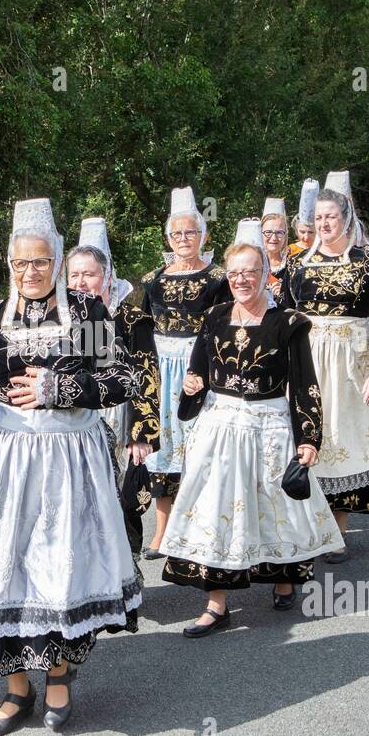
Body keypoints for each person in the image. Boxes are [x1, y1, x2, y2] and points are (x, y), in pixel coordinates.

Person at [0, 198, 141, 736]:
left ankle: (60, 675)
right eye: (21, 263)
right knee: (1, 568)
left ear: (58, 259)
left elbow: (124, 381)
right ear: (9, 263)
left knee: (57, 566)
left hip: (67, 463)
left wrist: (57, 388)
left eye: (41, 262)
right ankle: (16, 688)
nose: (30, 272)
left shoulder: (87, 315)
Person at [160, 220, 343, 636]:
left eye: (251, 272)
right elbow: (197, 372)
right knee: (217, 510)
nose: (242, 279)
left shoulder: (289, 323)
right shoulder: (214, 316)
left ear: (265, 275)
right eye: (235, 273)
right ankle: (216, 603)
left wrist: (309, 437)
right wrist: (192, 385)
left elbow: (304, 384)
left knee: (273, 507)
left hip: (271, 425)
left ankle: (283, 576)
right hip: (220, 427)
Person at [283, 172, 369, 558]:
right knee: (306, 436)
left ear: (346, 218)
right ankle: (305, 526)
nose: (324, 224)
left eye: (331, 217)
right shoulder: (297, 267)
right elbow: (283, 315)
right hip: (307, 361)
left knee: (342, 439)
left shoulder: (368, 264)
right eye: (318, 218)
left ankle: (337, 528)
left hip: (351, 365)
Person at [135, 187, 232, 560]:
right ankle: (162, 532)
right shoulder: (153, 279)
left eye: (190, 233)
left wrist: (210, 370)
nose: (183, 240)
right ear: (167, 238)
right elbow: (144, 326)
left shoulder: (217, 278)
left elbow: (226, 328)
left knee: (201, 446)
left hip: (199, 365)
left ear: (203, 236)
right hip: (162, 368)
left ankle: (201, 528)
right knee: (165, 448)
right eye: (176, 234)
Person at [66, 217, 161, 560]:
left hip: (120, 418)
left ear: (106, 276)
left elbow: (147, 374)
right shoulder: (58, 319)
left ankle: (125, 578)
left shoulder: (131, 319)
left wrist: (143, 433)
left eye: (88, 274)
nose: (81, 282)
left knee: (119, 498)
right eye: (74, 274)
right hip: (72, 419)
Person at [260, 197, 291, 300]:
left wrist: (284, 292)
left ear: (285, 234)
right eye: (268, 232)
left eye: (279, 232)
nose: (273, 238)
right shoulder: (252, 264)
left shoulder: (292, 265)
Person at [290, 178, 319, 256]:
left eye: (311, 232)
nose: (306, 237)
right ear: (296, 230)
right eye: (302, 232)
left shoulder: (326, 250)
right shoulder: (289, 251)